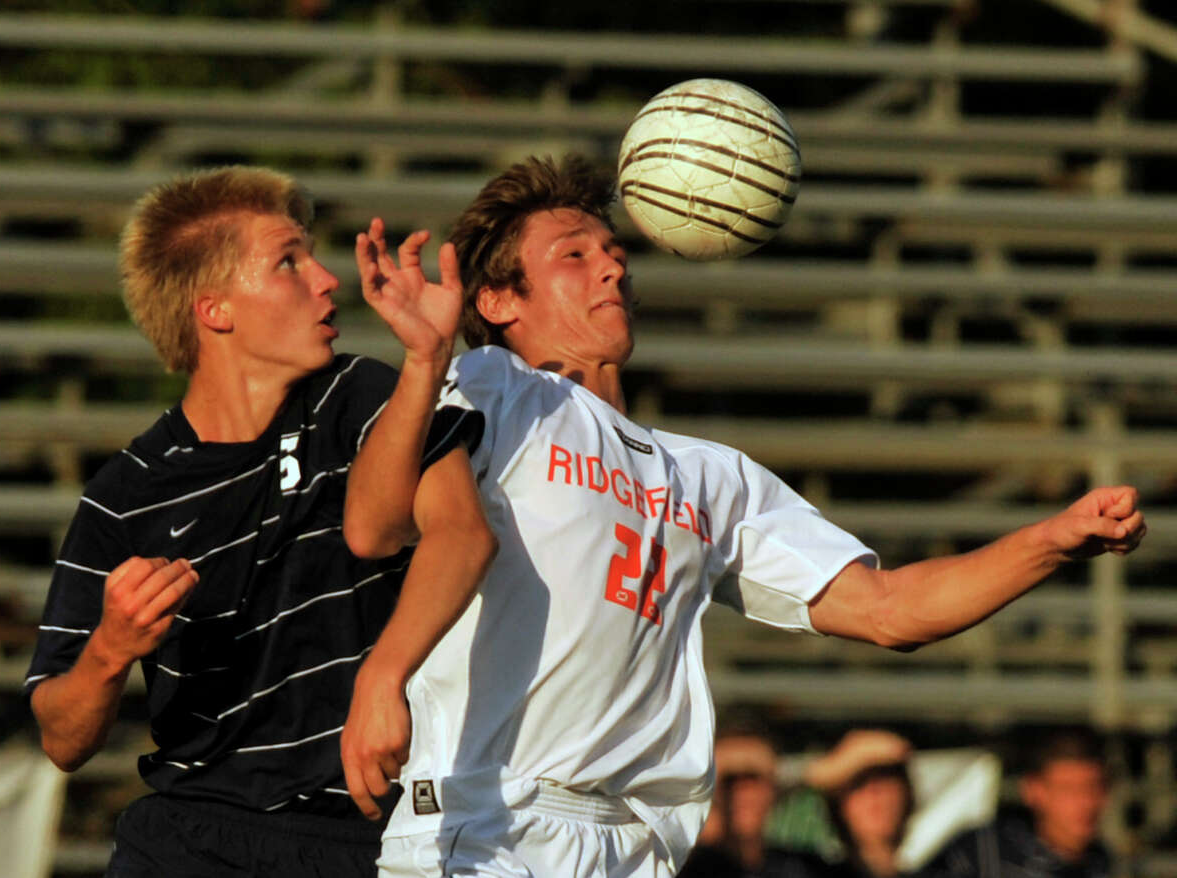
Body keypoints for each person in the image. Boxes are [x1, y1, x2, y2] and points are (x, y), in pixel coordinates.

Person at [344, 154, 1146, 878]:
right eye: (575, 255)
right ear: (497, 299)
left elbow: (892, 609)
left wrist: (1052, 540)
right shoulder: (495, 387)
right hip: (490, 828)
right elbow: (377, 529)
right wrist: (424, 361)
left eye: (614, 252)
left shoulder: (711, 475)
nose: (612, 267)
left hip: (635, 844)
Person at [23, 166, 495, 876]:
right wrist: (109, 650)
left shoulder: (360, 396)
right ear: (216, 311)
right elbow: (61, 738)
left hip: (364, 835)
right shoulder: (125, 494)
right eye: (288, 262)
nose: (327, 278)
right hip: (189, 837)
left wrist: (381, 677)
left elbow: (458, 533)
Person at [923, 727, 1113, 878]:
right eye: (1068, 789)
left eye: (1094, 787)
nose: (1086, 802)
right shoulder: (980, 855)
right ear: (1032, 790)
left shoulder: (1111, 865)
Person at [678, 720, 826, 878]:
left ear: (774, 787)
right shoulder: (679, 866)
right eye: (730, 780)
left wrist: (804, 774)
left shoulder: (801, 868)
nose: (741, 791)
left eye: (753, 778)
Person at [806, 729, 918, 878]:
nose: (873, 792)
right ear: (839, 803)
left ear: (906, 793)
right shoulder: (808, 871)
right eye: (859, 783)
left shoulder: (943, 868)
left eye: (884, 778)